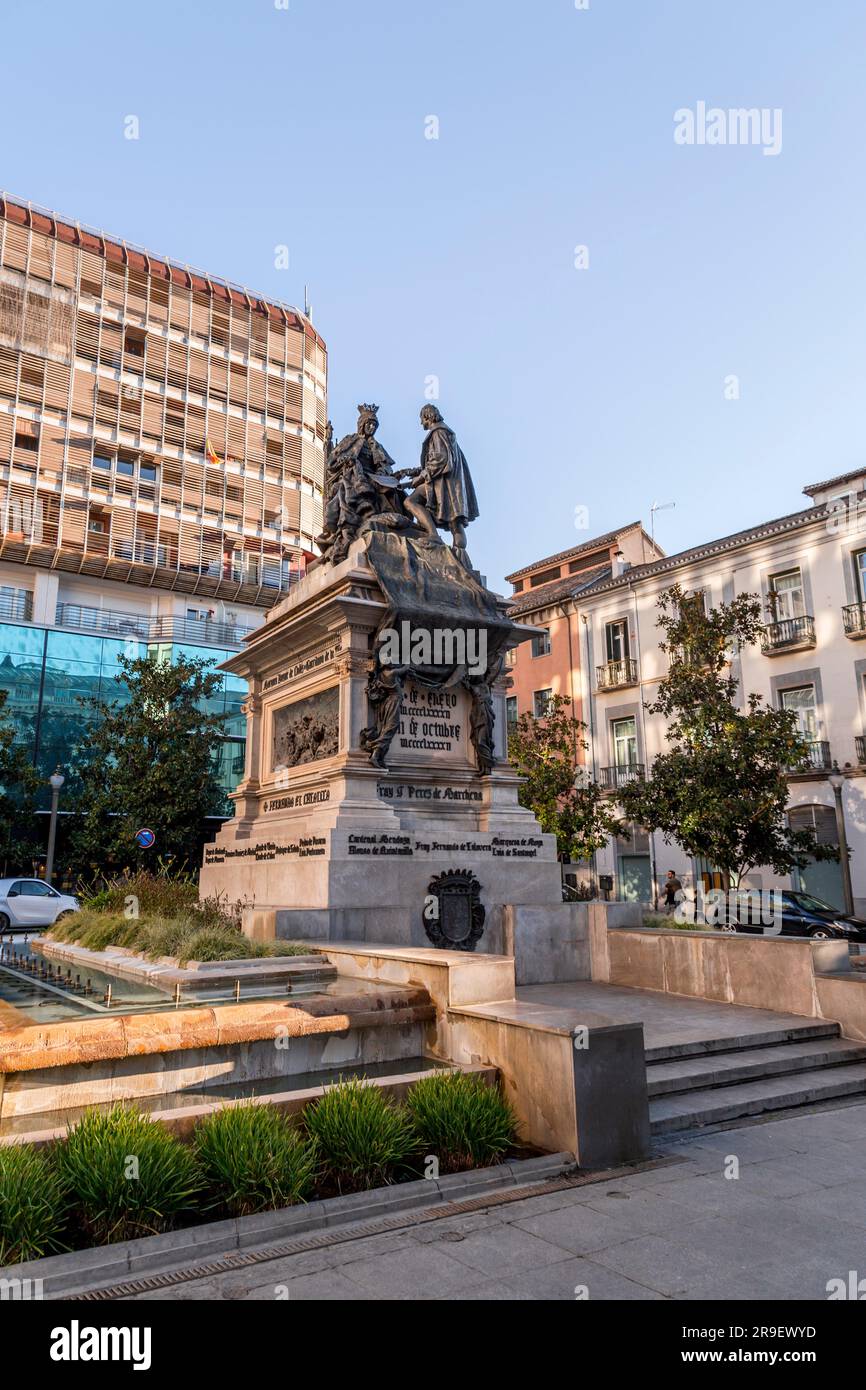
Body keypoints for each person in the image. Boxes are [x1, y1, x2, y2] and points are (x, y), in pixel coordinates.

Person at [401, 405, 479, 567]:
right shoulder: (446, 433)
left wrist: (421, 476)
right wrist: (413, 472)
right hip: (449, 484)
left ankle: (433, 535)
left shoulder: (438, 432)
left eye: (422, 419)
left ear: (427, 417)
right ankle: (460, 555)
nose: (421, 423)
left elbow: (441, 459)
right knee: (454, 522)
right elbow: (436, 460)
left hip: (441, 484)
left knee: (411, 502)